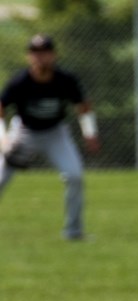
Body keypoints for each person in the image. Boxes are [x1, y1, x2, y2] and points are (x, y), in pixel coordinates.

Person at [0, 34, 100, 241]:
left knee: (74, 176)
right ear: (29, 57)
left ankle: (73, 232)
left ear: (53, 56)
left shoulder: (65, 80)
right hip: (24, 132)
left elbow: (83, 105)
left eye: (44, 53)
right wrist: (4, 140)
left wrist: (89, 134)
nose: (40, 58)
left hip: (56, 133)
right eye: (35, 53)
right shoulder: (20, 82)